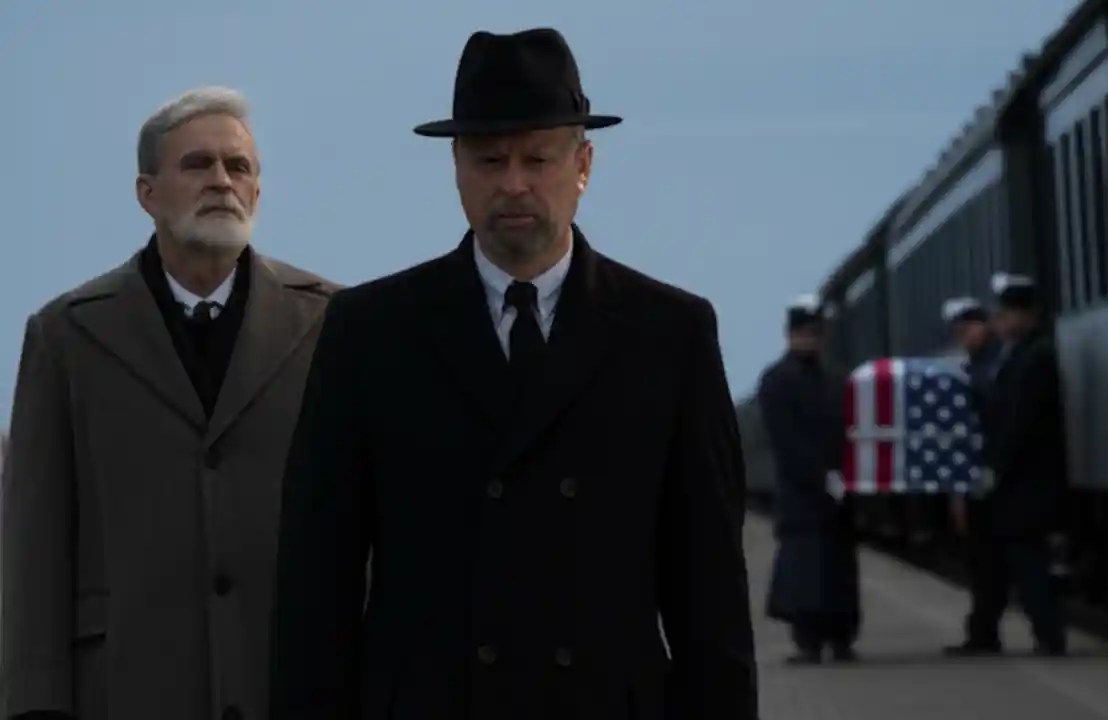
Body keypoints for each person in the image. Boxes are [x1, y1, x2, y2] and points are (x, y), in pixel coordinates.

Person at [268, 27, 758, 720]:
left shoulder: (669, 333)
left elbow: (709, 588)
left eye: (538, 158)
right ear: (456, 168)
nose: (514, 184)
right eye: (490, 160)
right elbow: (317, 580)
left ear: (584, 163)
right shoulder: (371, 330)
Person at [0, 87, 340, 720]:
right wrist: (32, 706)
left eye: (238, 167)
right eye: (197, 164)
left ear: (258, 192)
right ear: (146, 194)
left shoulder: (332, 322)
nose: (221, 181)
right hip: (126, 691)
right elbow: (34, 547)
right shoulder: (67, 335)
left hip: (294, 687)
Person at [965, 272, 1068, 657]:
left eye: (1007, 314)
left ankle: (1049, 636)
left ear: (1027, 315)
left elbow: (1019, 420)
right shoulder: (1016, 355)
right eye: (1001, 314)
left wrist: (994, 465)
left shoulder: (1035, 357)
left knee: (1029, 563)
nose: (1001, 322)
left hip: (1026, 482)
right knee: (1001, 561)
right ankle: (985, 634)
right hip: (1014, 482)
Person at [757, 295, 859, 664]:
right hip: (802, 494)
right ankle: (809, 642)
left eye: (814, 333)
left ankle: (842, 638)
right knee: (805, 571)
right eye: (802, 333)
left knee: (839, 568)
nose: (809, 340)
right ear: (790, 335)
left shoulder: (836, 379)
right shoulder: (776, 380)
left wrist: (845, 474)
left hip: (837, 494)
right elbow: (786, 441)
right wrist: (821, 476)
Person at [939, 296, 1008, 656]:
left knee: (988, 562)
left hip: (991, 481)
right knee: (981, 562)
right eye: (959, 331)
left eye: (969, 327)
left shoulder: (993, 369)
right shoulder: (978, 367)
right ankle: (982, 631)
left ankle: (985, 633)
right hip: (976, 480)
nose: (964, 335)